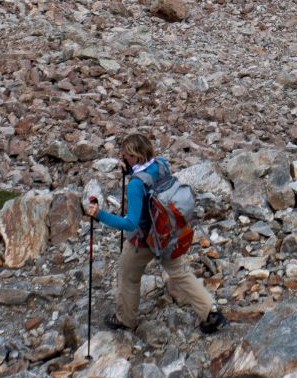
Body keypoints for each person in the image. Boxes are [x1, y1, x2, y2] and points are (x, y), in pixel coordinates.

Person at [84, 131, 224, 334]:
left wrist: (99, 215)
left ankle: (126, 319)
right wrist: (128, 172)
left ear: (136, 157)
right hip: (169, 233)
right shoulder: (161, 164)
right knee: (180, 273)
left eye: (126, 155)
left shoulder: (135, 185)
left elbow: (131, 223)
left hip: (144, 239)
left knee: (128, 274)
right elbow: (150, 183)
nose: (122, 157)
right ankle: (211, 312)